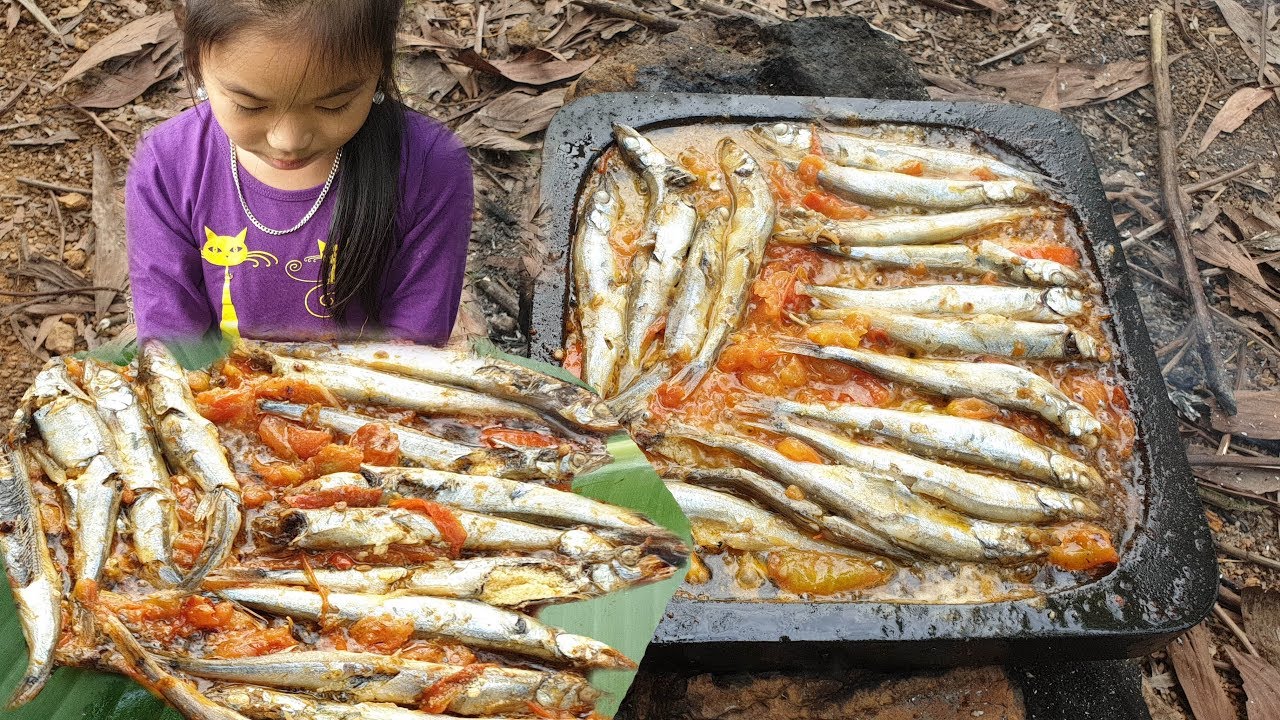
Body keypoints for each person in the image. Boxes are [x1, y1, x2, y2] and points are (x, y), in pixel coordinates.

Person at [126, 0, 472, 357]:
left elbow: (414, 349)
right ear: (198, 63)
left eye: (333, 105)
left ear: (381, 65)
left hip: (370, 398)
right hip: (221, 397)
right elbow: (174, 347)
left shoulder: (431, 167)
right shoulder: (166, 167)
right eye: (250, 106)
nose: (287, 141)